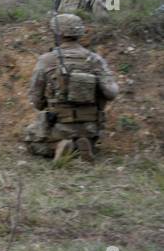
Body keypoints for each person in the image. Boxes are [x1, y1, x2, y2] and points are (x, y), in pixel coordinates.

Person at [23, 13, 118, 162]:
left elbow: (37, 101)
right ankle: (83, 146)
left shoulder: (47, 60)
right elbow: (111, 93)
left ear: (57, 33)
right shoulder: (95, 60)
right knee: (87, 137)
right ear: (80, 33)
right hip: (91, 128)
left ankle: (59, 147)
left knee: (30, 138)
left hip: (60, 126)